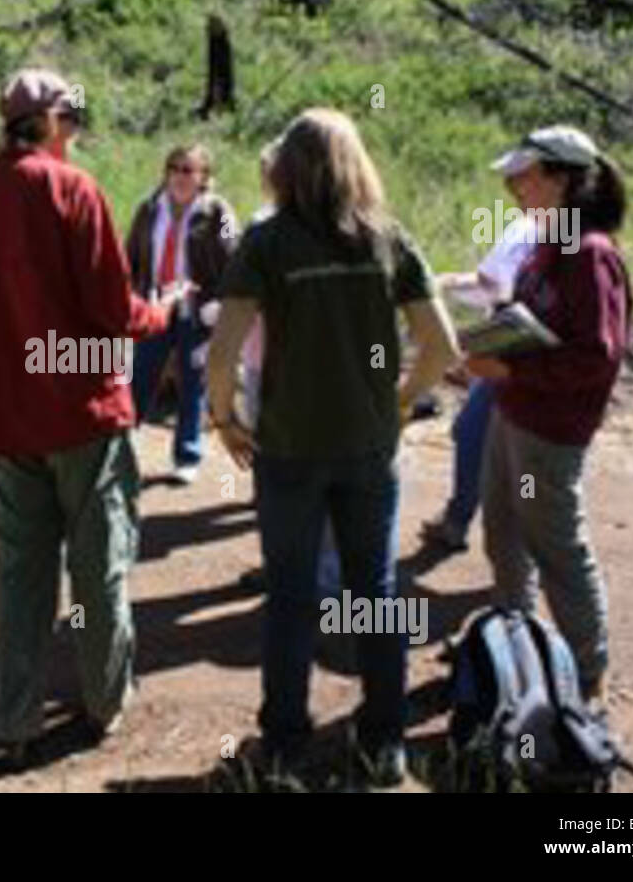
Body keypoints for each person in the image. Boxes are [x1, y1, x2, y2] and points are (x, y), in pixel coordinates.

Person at [0, 68, 175, 772]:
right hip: (81, 410)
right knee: (99, 565)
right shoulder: (73, 189)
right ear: (43, 123)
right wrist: (162, 312)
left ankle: (14, 721)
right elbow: (111, 311)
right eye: (69, 118)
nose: (75, 131)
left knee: (18, 574)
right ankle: (103, 703)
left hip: (4, 415)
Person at [206, 108, 460, 786]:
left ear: (287, 168)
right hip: (369, 448)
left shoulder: (266, 244)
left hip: (289, 448)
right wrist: (399, 405)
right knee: (373, 591)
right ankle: (385, 745)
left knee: (291, 598)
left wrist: (225, 420)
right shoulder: (388, 241)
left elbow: (222, 355)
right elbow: (443, 349)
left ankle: (285, 746)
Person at [467, 125, 631, 706]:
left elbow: (596, 356)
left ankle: (587, 674)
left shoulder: (590, 254)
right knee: (503, 530)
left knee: (555, 544)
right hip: (514, 414)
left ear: (560, 179)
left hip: (550, 429)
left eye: (524, 174)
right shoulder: (548, 240)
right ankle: (516, 642)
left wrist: (512, 371)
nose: (512, 185)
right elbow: (542, 319)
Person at [236, 140, 341, 601]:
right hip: (268, 366)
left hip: (295, 371)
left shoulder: (325, 230)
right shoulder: (263, 227)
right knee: (277, 476)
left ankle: (322, 577)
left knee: (303, 477)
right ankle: (287, 567)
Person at [419, 203, 535, 554]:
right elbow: (490, 283)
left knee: (516, 451)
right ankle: (459, 520)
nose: (516, 187)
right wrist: (446, 283)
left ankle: (536, 544)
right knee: (471, 432)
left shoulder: (567, 232)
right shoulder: (522, 225)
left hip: (528, 354)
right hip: (504, 346)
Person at [126, 144, 239, 484]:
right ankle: (121, 449)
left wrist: (220, 304)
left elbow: (237, 256)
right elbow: (131, 257)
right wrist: (131, 297)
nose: (179, 176)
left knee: (194, 383)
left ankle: (186, 457)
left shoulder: (219, 213)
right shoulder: (148, 208)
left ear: (204, 176)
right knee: (140, 378)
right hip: (154, 306)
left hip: (197, 310)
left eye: (188, 170)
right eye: (173, 168)